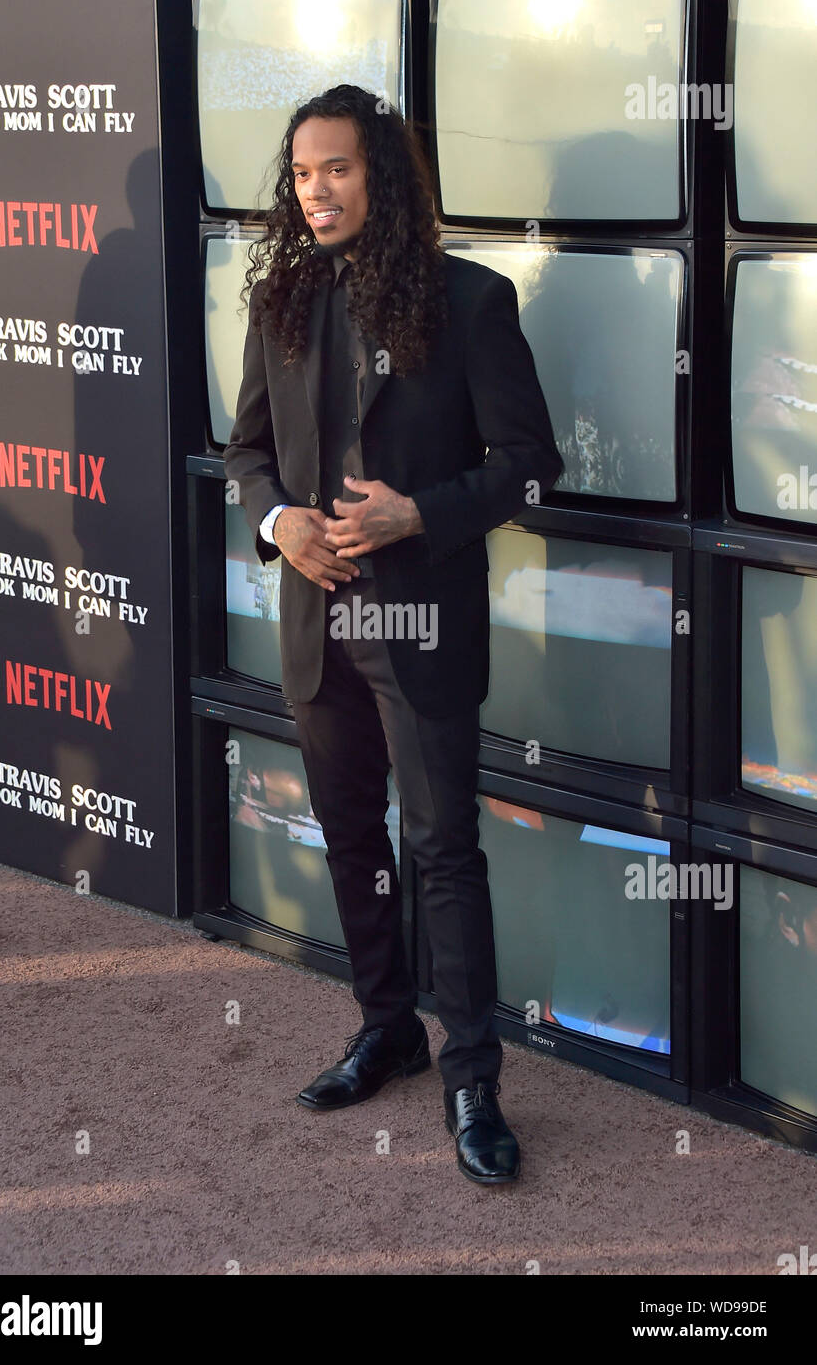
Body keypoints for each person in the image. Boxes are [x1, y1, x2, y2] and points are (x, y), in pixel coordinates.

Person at [223, 84, 563, 1184]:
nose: (314, 191)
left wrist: (416, 512)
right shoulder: (277, 298)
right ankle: (387, 1029)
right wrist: (281, 525)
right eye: (302, 173)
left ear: (383, 176)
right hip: (316, 622)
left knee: (441, 852)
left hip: (418, 623)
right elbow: (247, 453)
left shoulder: (470, 301)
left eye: (337, 170)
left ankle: (472, 1079)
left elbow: (526, 463)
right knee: (352, 840)